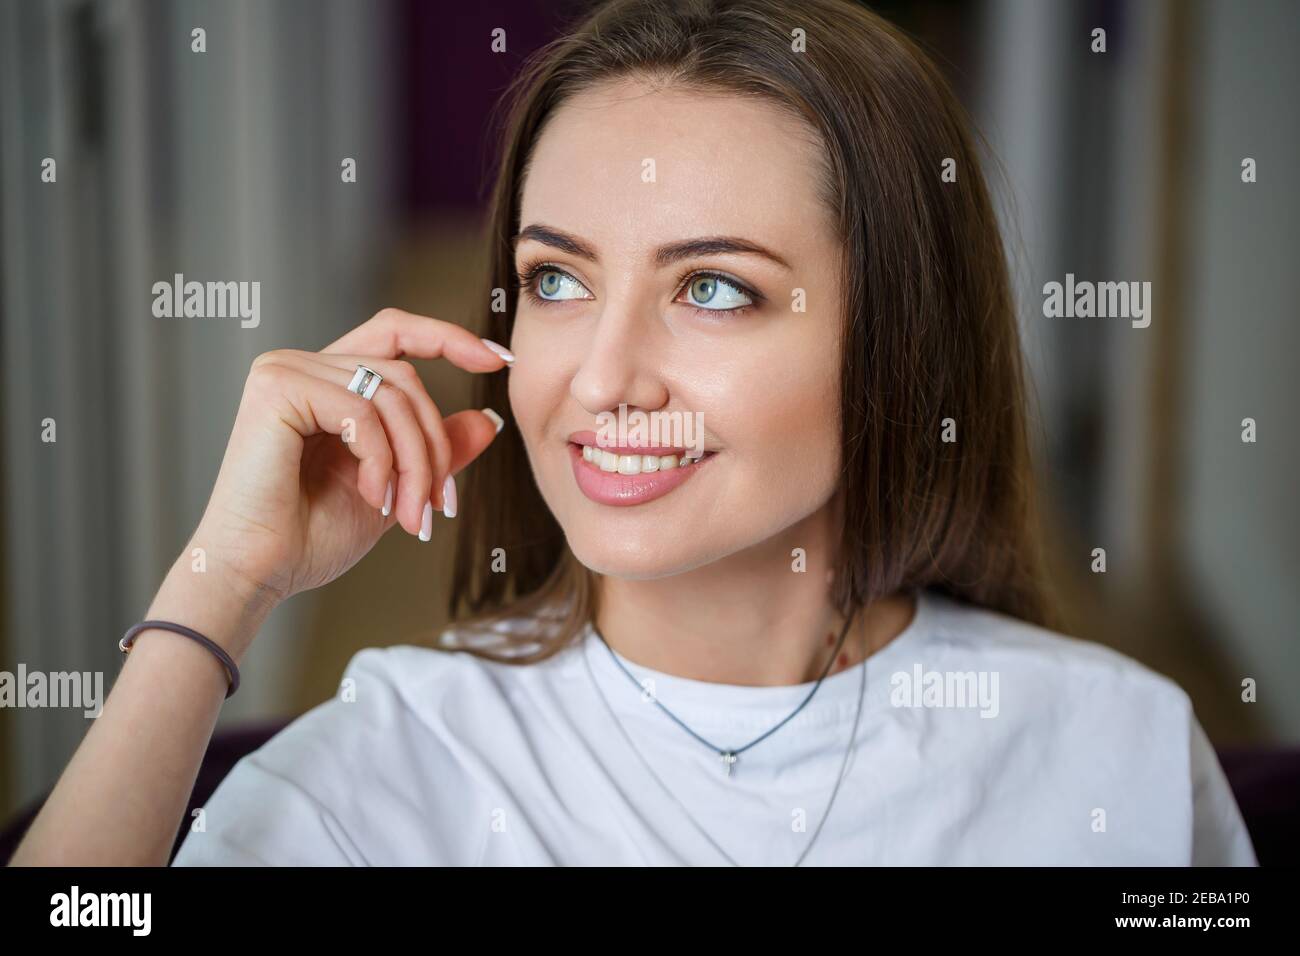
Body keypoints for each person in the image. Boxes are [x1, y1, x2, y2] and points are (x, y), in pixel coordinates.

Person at [12, 0, 1256, 866]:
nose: (598, 377)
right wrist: (223, 584)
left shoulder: (1119, 753)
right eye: (556, 279)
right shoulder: (393, 766)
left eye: (712, 287)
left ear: (896, 339)